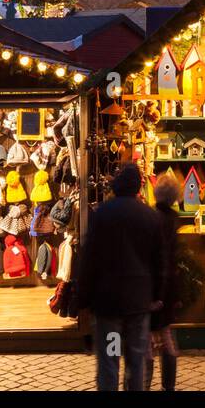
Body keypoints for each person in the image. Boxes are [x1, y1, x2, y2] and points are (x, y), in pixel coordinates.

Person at [78, 164, 166, 391]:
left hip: (110, 306)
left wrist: (83, 297)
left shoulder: (104, 214)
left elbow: (90, 257)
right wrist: (156, 296)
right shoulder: (149, 216)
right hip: (138, 304)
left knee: (110, 357)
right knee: (136, 360)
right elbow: (159, 262)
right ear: (138, 187)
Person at [146, 174, 182, 391]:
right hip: (167, 285)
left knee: (150, 340)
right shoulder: (173, 218)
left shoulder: (151, 218)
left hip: (155, 286)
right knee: (166, 336)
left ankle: (145, 385)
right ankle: (168, 386)